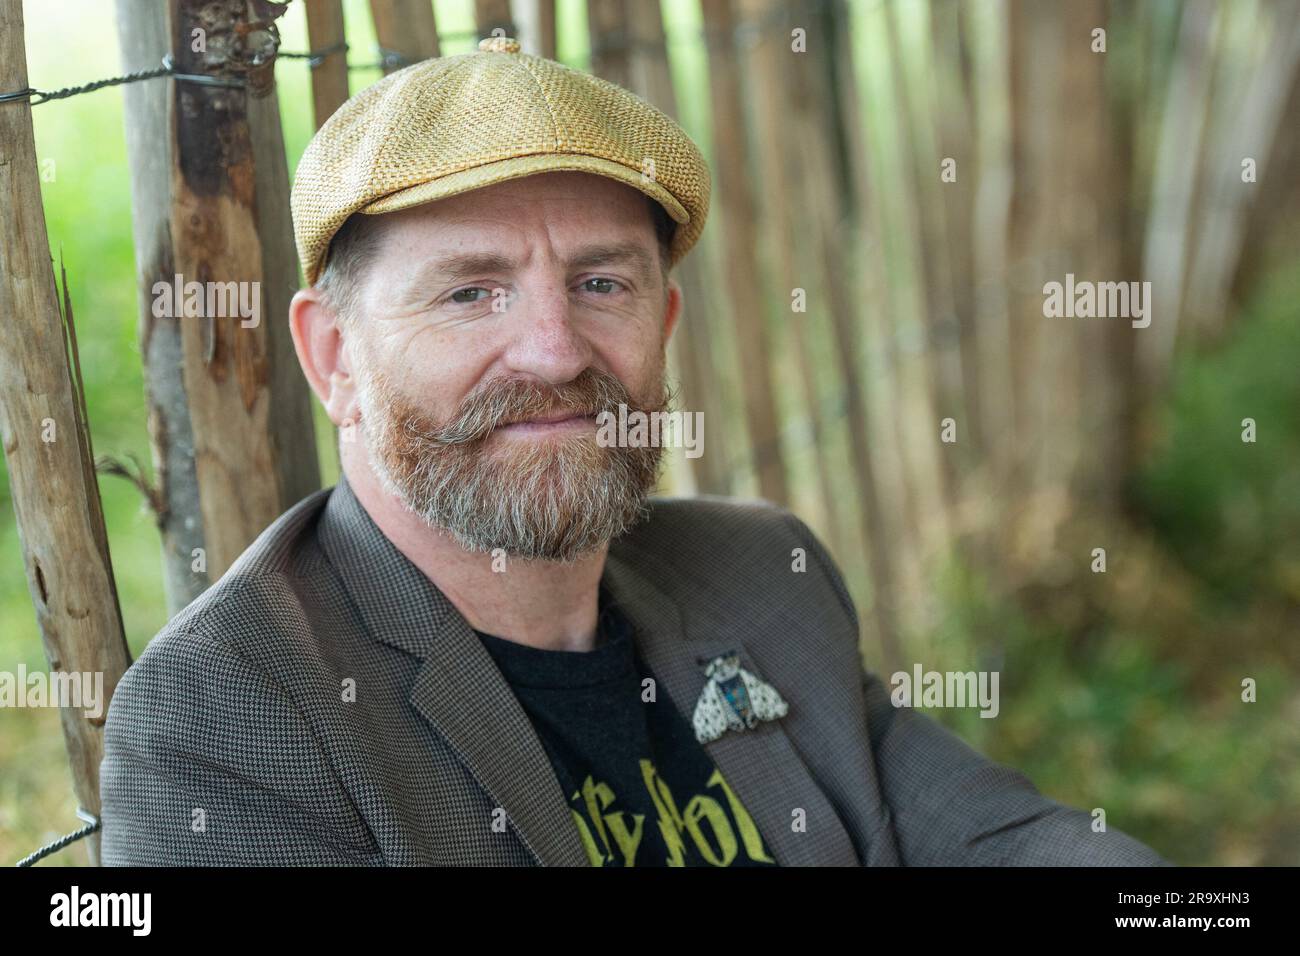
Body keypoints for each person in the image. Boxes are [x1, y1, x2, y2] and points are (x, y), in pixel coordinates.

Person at [99, 36, 1169, 867]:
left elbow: (1001, 841)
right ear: (333, 356)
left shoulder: (762, 575)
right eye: (471, 292)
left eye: (601, 283)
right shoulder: (229, 719)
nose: (556, 350)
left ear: (663, 324)